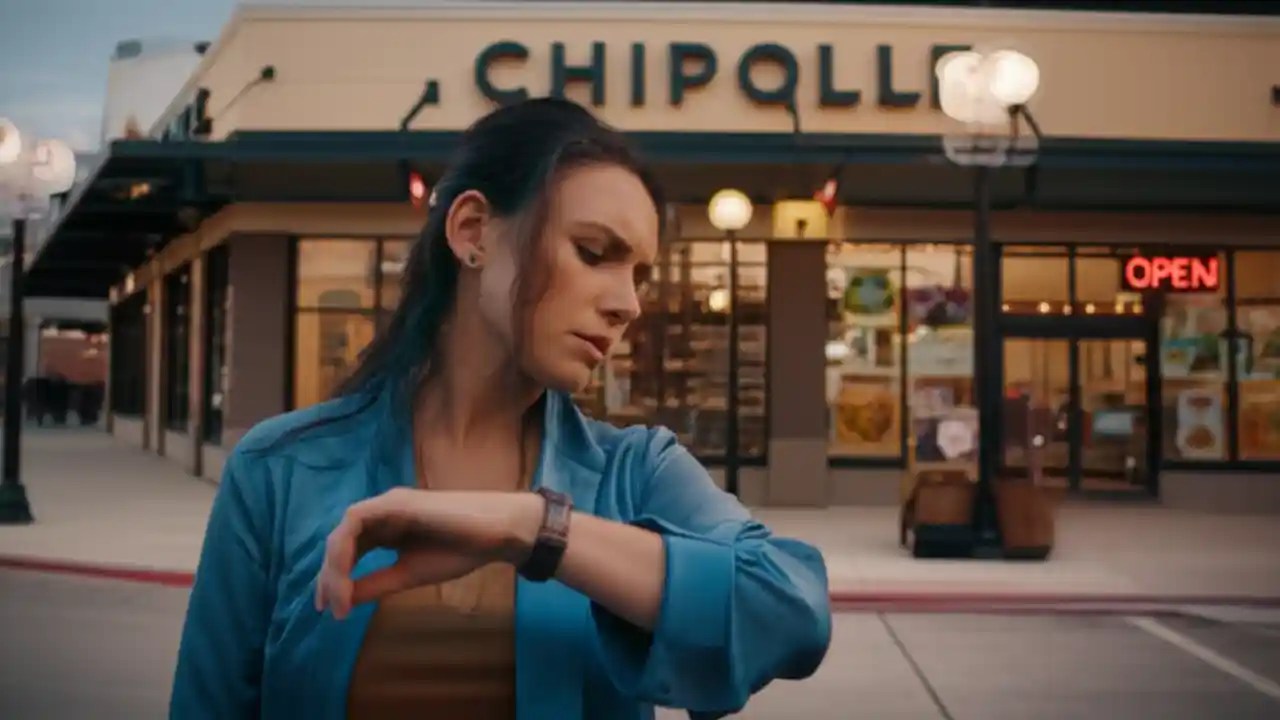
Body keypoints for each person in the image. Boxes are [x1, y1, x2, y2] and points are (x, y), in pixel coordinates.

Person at [169, 97, 831, 720]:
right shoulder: (280, 470)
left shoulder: (636, 474)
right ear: (472, 231)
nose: (627, 303)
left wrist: (535, 528)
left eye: (640, 276)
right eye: (594, 253)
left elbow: (793, 607)